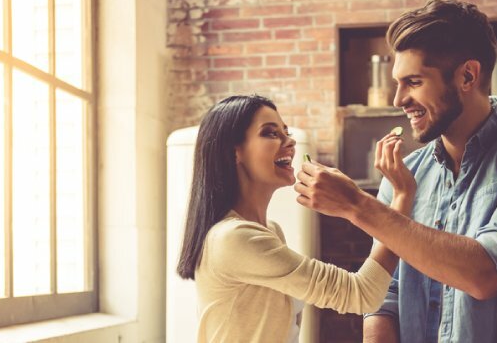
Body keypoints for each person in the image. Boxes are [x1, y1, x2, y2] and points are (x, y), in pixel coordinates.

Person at [295, 0, 497, 343]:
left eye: (414, 82)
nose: (398, 99)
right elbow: (385, 298)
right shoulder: (405, 175)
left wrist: (357, 206)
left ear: (467, 76)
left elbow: (486, 273)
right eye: (397, 83)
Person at [176, 95, 415, 343]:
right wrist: (401, 197)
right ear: (234, 152)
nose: (289, 142)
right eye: (270, 133)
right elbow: (362, 294)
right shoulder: (234, 239)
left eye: (286, 132)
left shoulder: (270, 231)